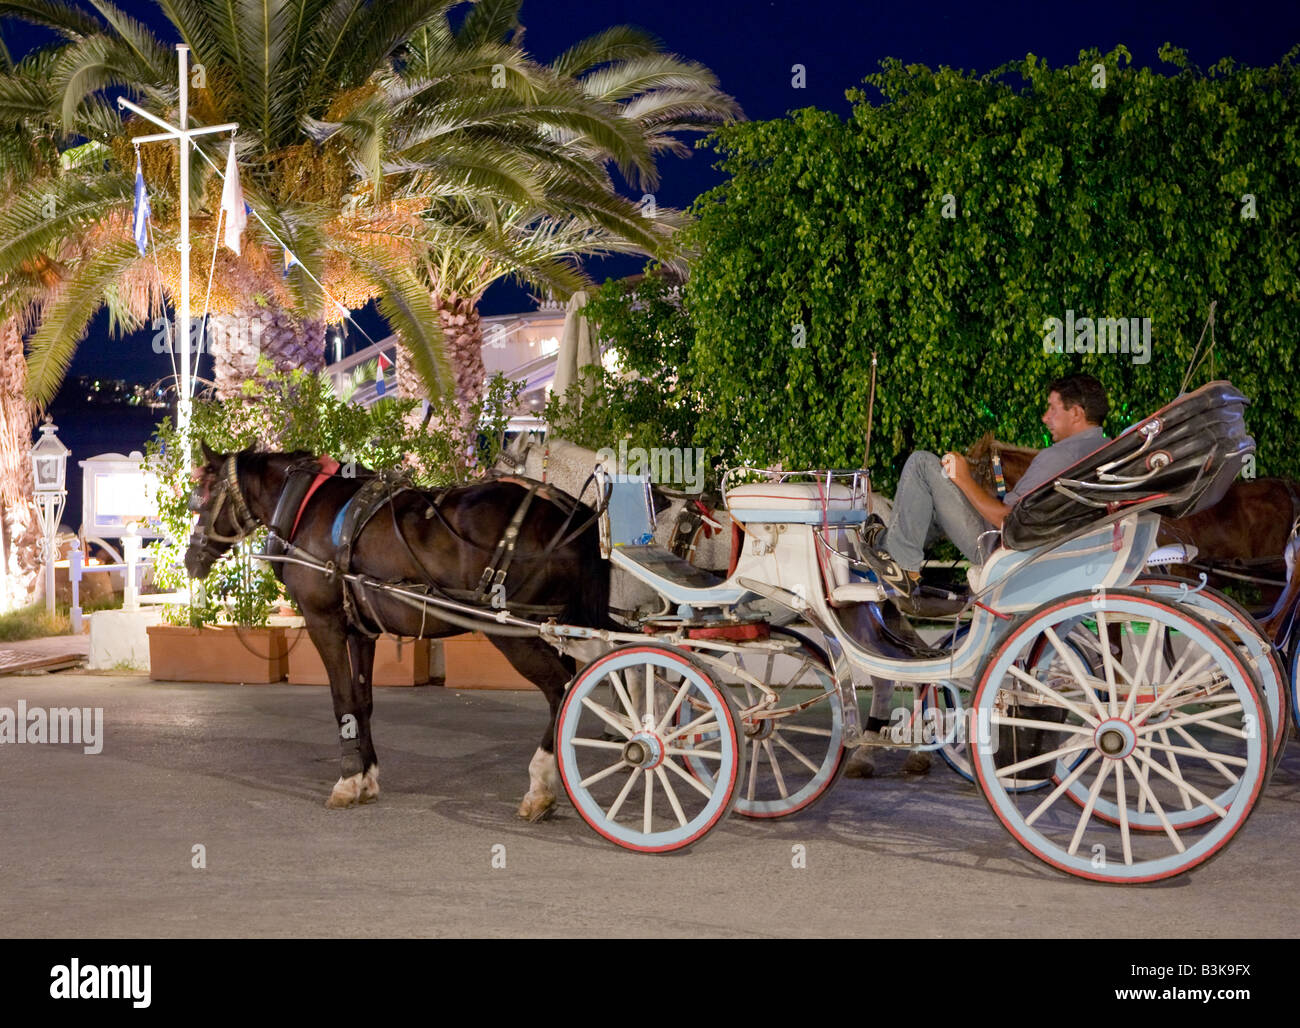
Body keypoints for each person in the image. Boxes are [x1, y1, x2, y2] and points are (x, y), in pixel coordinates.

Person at [859, 373, 1109, 614]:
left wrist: (963, 479)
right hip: (1050, 553)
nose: (1045, 418)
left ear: (1076, 413)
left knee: (922, 464)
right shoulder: (1103, 450)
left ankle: (899, 565)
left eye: (1053, 408)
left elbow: (1004, 518)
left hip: (1005, 551)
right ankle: (886, 545)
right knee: (933, 504)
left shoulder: (1060, 456)